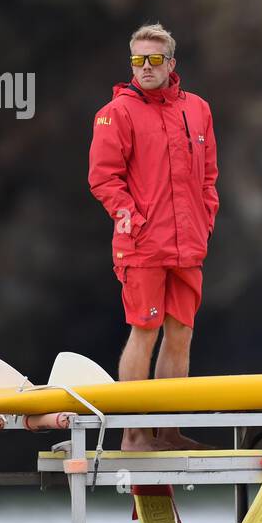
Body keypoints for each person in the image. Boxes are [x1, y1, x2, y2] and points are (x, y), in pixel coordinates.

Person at [88, 23, 219, 451]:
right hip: (142, 244)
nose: (145, 67)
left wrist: (205, 217)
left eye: (154, 60)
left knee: (181, 331)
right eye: (138, 60)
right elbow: (104, 178)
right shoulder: (116, 112)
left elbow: (209, 177)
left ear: (171, 64)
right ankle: (133, 434)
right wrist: (132, 219)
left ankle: (167, 431)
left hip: (187, 244)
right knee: (143, 330)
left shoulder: (198, 108)